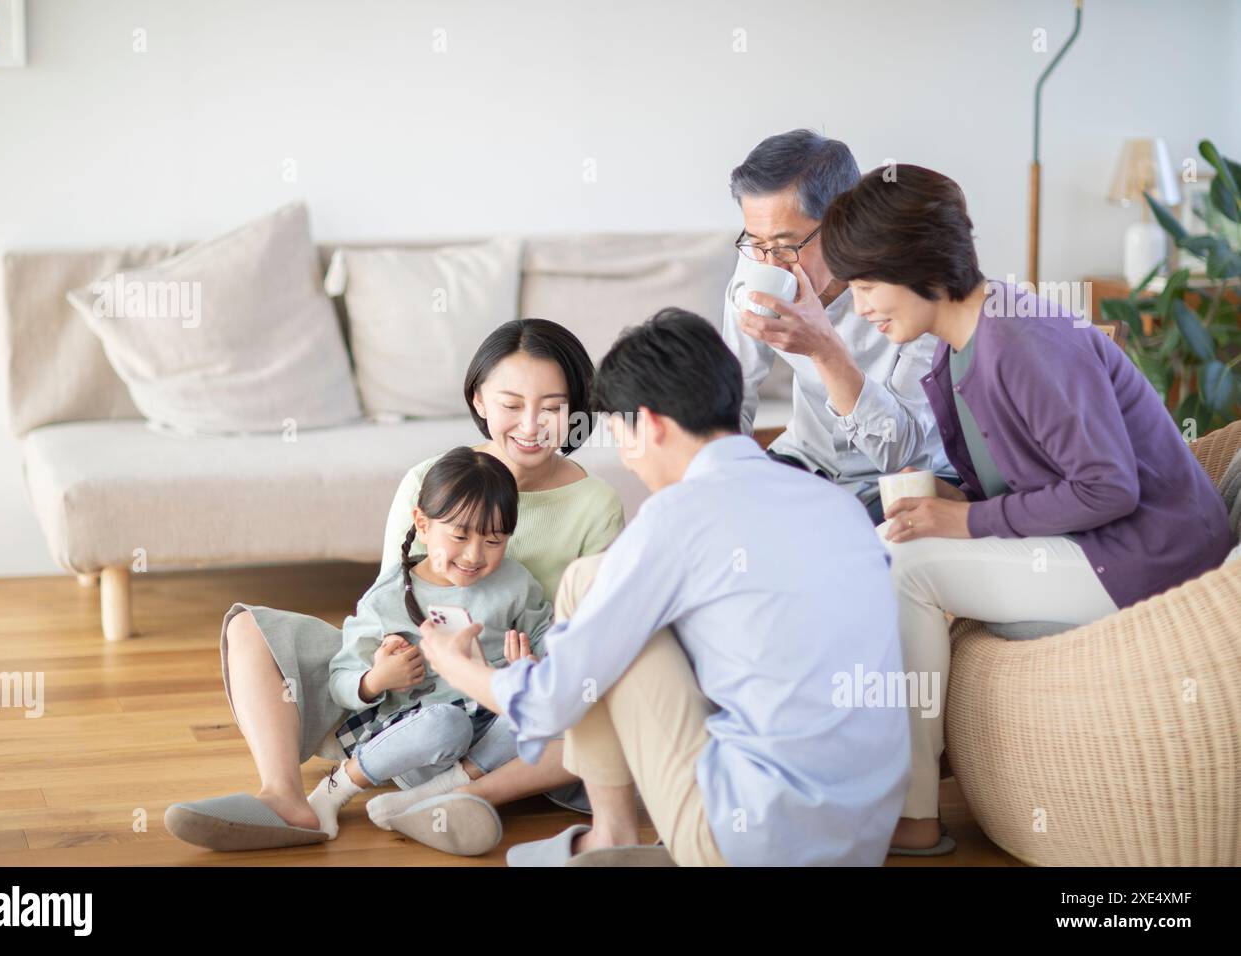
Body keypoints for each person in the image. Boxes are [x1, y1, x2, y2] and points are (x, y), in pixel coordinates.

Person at [820, 162, 1234, 854]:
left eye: (865, 286)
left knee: (908, 571)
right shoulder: (960, 350)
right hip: (1099, 550)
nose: (859, 308)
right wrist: (955, 499)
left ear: (914, 261)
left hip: (1151, 561)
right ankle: (892, 785)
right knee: (897, 551)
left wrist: (966, 522)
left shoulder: (1022, 337)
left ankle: (913, 810)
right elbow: (1032, 482)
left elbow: (1108, 487)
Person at [413, 308, 911, 866]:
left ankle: (610, 837)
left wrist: (458, 667)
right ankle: (612, 838)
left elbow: (552, 702)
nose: (628, 461)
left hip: (750, 843)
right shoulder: (836, 503)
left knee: (589, 585)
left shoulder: (675, 518)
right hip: (867, 838)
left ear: (647, 424)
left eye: (621, 436)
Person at [164, 319, 624, 851]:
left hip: (515, 716)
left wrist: (527, 673)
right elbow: (391, 599)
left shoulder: (596, 506)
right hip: (411, 696)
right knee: (249, 628)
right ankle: (287, 799)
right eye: (511, 403)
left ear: (576, 409)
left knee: (616, 692)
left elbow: (585, 640)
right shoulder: (428, 479)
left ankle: (461, 797)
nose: (531, 424)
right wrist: (380, 672)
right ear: (479, 400)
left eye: (552, 406)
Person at [304, 447, 552, 844]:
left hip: (490, 747)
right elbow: (341, 680)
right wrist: (377, 679)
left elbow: (547, 637)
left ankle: (443, 792)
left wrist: (534, 665)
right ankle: (336, 789)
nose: (474, 555)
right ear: (422, 523)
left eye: (494, 540)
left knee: (537, 706)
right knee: (446, 723)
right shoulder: (386, 598)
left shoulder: (515, 582)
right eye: (459, 536)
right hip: (418, 744)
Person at [722, 129, 952, 523]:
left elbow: (897, 449)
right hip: (807, 460)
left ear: (841, 224)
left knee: (842, 540)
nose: (770, 264)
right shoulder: (757, 266)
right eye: (756, 242)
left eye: (786, 245)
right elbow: (734, 390)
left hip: (901, 476)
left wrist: (823, 348)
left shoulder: (913, 288)